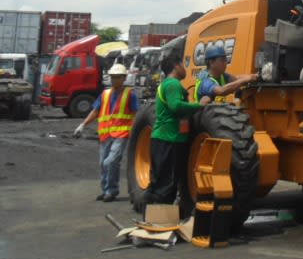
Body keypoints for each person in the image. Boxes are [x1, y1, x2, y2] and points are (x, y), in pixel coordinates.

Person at [73, 63, 138, 202]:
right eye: (113, 77)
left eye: (117, 77)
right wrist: (83, 125)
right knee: (103, 163)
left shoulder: (130, 95)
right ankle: (105, 190)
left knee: (111, 162)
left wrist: (135, 132)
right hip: (105, 135)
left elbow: (136, 114)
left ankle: (111, 190)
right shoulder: (105, 94)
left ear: (124, 78)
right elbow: (96, 111)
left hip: (121, 135)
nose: (114, 80)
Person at [146, 54, 203, 208]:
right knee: (166, 182)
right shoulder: (173, 84)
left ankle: (154, 216)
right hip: (169, 139)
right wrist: (200, 105)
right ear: (176, 66)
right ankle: (159, 220)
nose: (185, 69)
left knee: (162, 180)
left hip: (167, 138)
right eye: (183, 65)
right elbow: (176, 106)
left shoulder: (167, 84)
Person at [193, 46, 257, 104]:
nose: (226, 63)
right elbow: (220, 91)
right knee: (207, 99)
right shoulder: (205, 80)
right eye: (222, 60)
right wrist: (245, 80)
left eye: (226, 60)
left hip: (217, 113)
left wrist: (254, 76)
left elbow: (236, 79)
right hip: (203, 115)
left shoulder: (221, 75)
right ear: (211, 62)